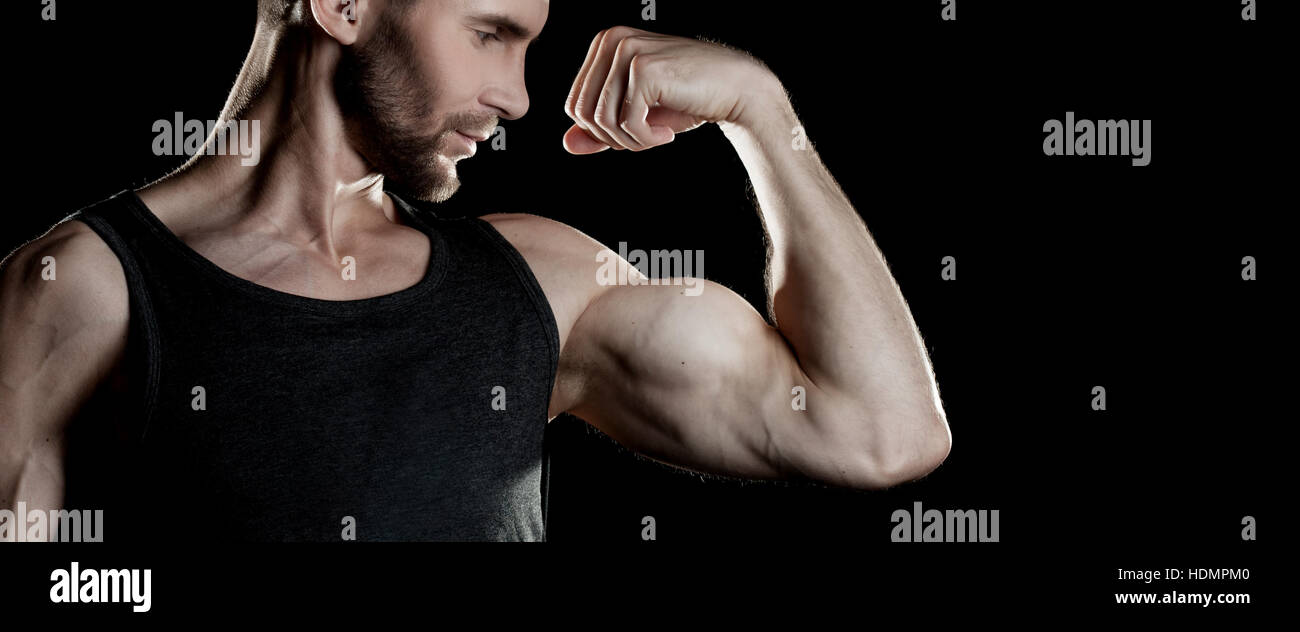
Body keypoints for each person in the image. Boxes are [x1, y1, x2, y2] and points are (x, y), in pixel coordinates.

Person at [0, 0, 950, 542]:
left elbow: (877, 432)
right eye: (489, 33)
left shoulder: (541, 282)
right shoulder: (81, 289)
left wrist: (760, 111)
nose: (517, 96)